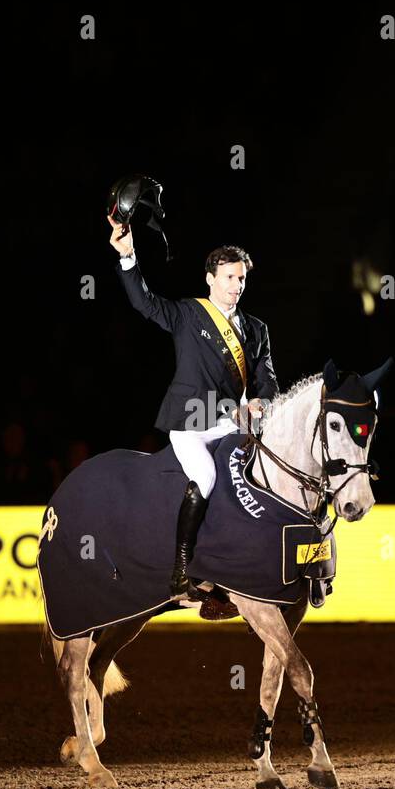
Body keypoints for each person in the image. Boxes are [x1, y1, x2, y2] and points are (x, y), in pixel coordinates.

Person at [108, 214, 278, 607]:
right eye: (230, 278)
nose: (237, 286)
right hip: (191, 421)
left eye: (242, 279)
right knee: (205, 473)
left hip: (232, 423)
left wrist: (261, 402)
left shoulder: (257, 329)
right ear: (210, 279)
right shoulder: (187, 314)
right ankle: (181, 571)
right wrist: (128, 256)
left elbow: (267, 381)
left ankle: (235, 569)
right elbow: (144, 303)